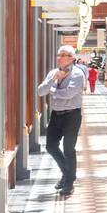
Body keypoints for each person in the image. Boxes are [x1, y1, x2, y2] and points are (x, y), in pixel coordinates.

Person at [37, 45, 87, 197]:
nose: (59, 57)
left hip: (72, 115)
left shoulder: (78, 74)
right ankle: (68, 174)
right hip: (56, 114)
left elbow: (68, 94)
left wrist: (52, 91)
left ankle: (69, 183)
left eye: (63, 55)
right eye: (58, 54)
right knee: (51, 146)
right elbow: (40, 91)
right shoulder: (53, 73)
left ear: (71, 58)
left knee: (68, 148)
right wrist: (53, 79)